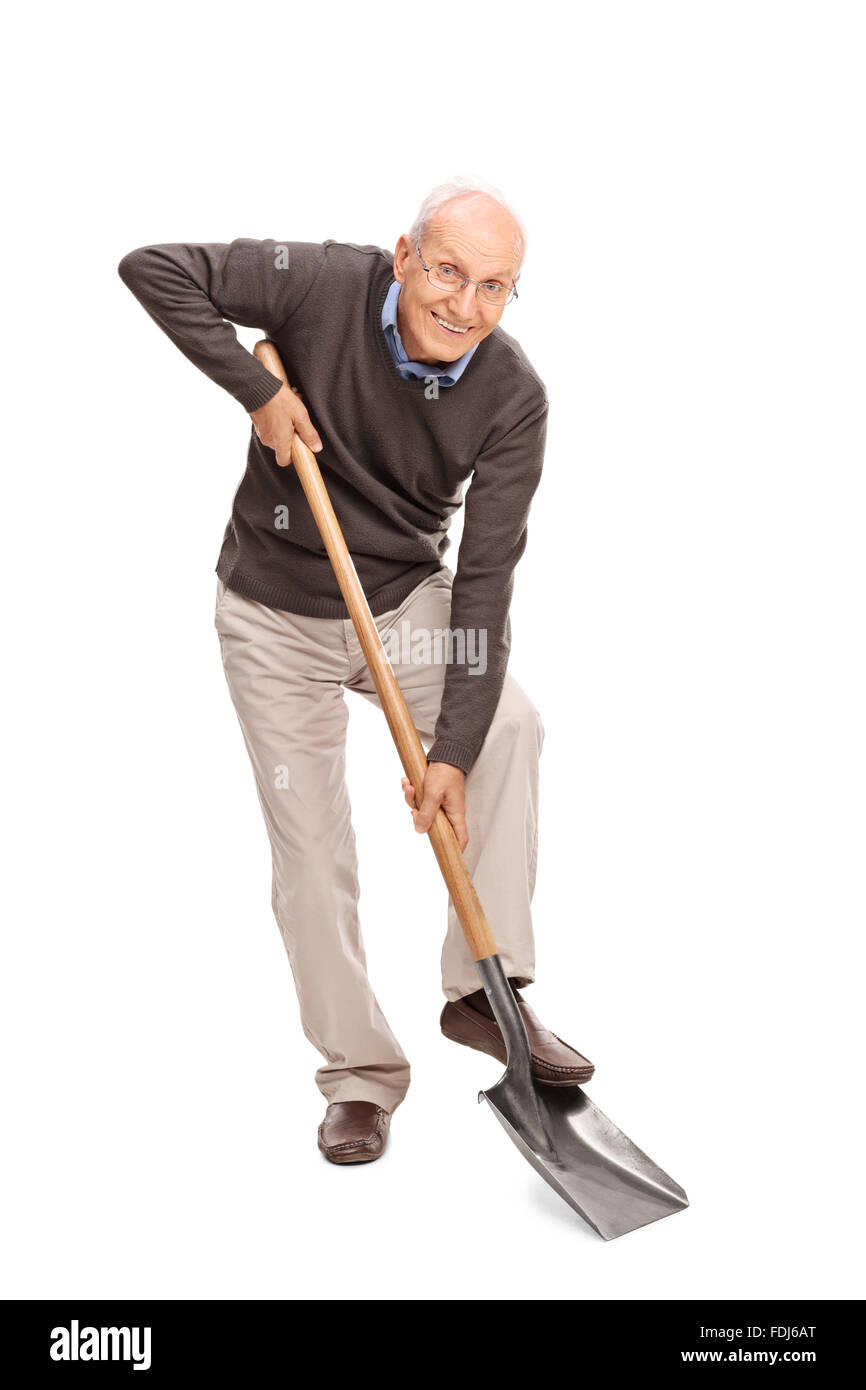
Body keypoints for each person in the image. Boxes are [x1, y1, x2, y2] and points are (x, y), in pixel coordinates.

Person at [117, 175, 595, 1167]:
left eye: (494, 287)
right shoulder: (315, 284)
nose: (464, 306)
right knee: (312, 847)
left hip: (403, 605)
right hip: (272, 613)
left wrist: (450, 751)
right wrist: (258, 389)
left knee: (508, 728)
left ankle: (481, 990)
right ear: (403, 254)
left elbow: (486, 582)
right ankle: (360, 1079)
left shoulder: (511, 395)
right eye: (448, 271)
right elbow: (153, 269)